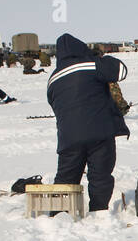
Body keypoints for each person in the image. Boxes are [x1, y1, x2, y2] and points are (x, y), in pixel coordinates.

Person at [47, 33, 129, 213]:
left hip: (68, 137)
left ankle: (58, 215)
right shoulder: (90, 64)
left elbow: (54, 104)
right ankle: (98, 212)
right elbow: (121, 71)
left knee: (65, 177)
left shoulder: (52, 79)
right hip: (99, 132)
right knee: (100, 176)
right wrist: (99, 58)